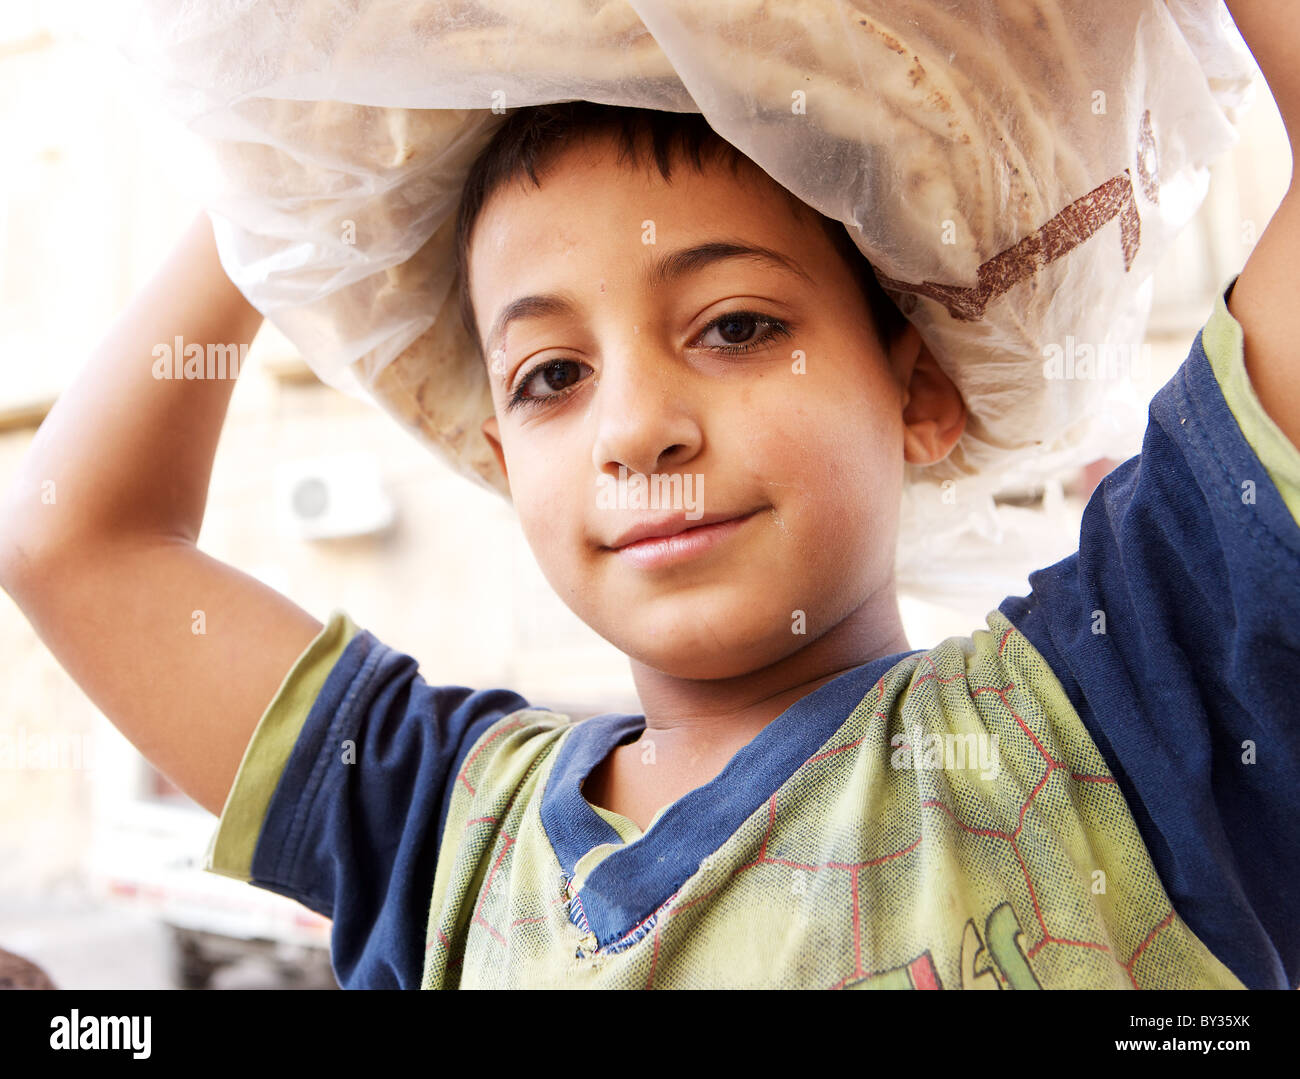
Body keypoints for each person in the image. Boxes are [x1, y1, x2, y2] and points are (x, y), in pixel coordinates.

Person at [1, 1, 1296, 989]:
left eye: (733, 326)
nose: (635, 428)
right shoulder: (441, 830)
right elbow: (73, 542)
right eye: (552, 373)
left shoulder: (1114, 725)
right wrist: (293, 147)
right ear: (501, 461)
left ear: (918, 382)